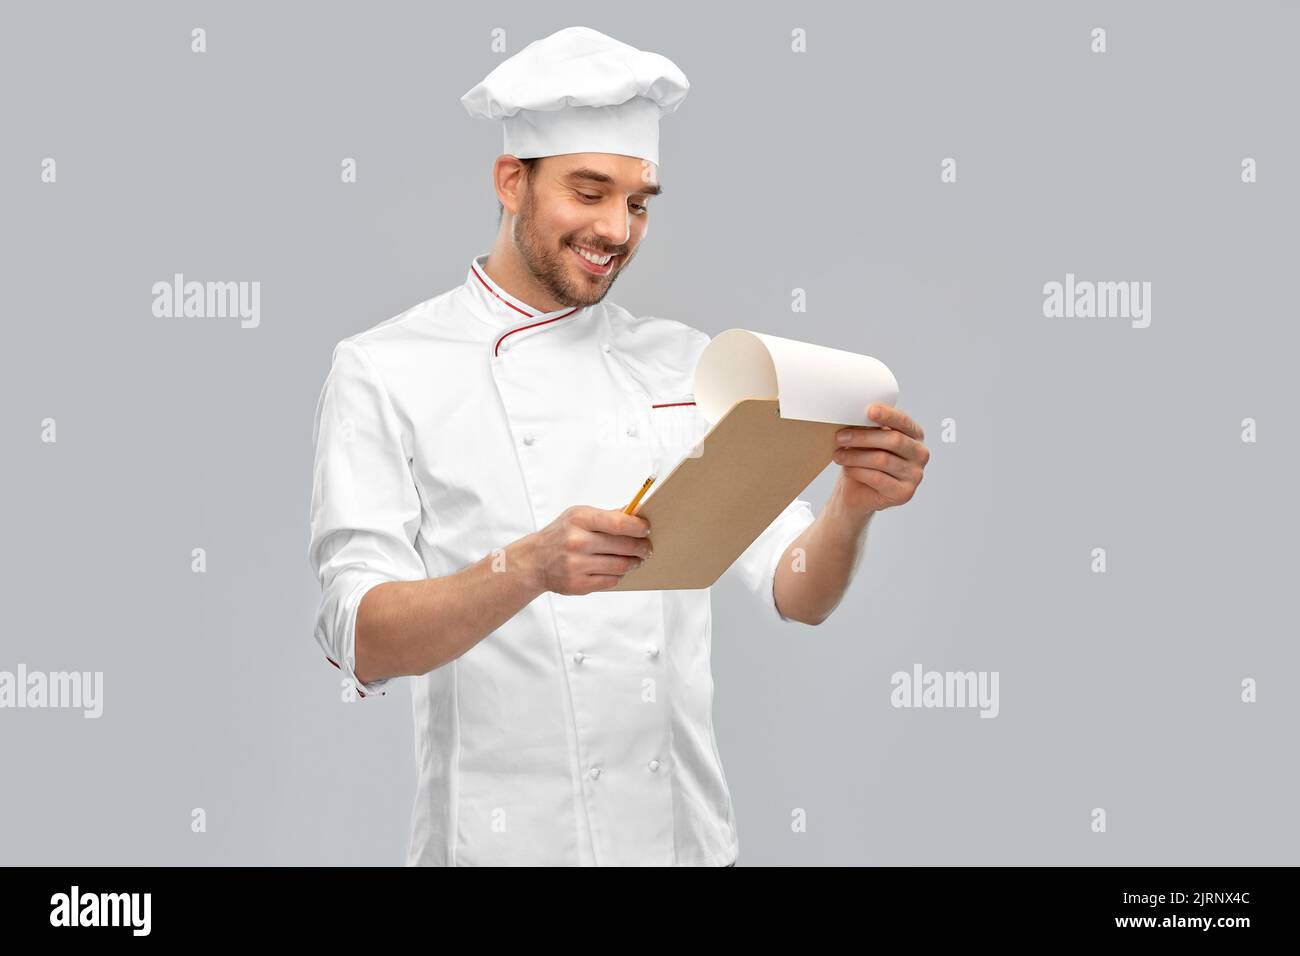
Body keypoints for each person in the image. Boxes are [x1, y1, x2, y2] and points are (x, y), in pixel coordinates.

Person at [307, 25, 929, 866]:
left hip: (682, 846)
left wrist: (854, 505)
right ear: (511, 182)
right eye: (589, 192)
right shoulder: (387, 368)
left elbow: (798, 592)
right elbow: (362, 636)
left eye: (638, 202)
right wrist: (527, 567)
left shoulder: (688, 362)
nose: (617, 228)